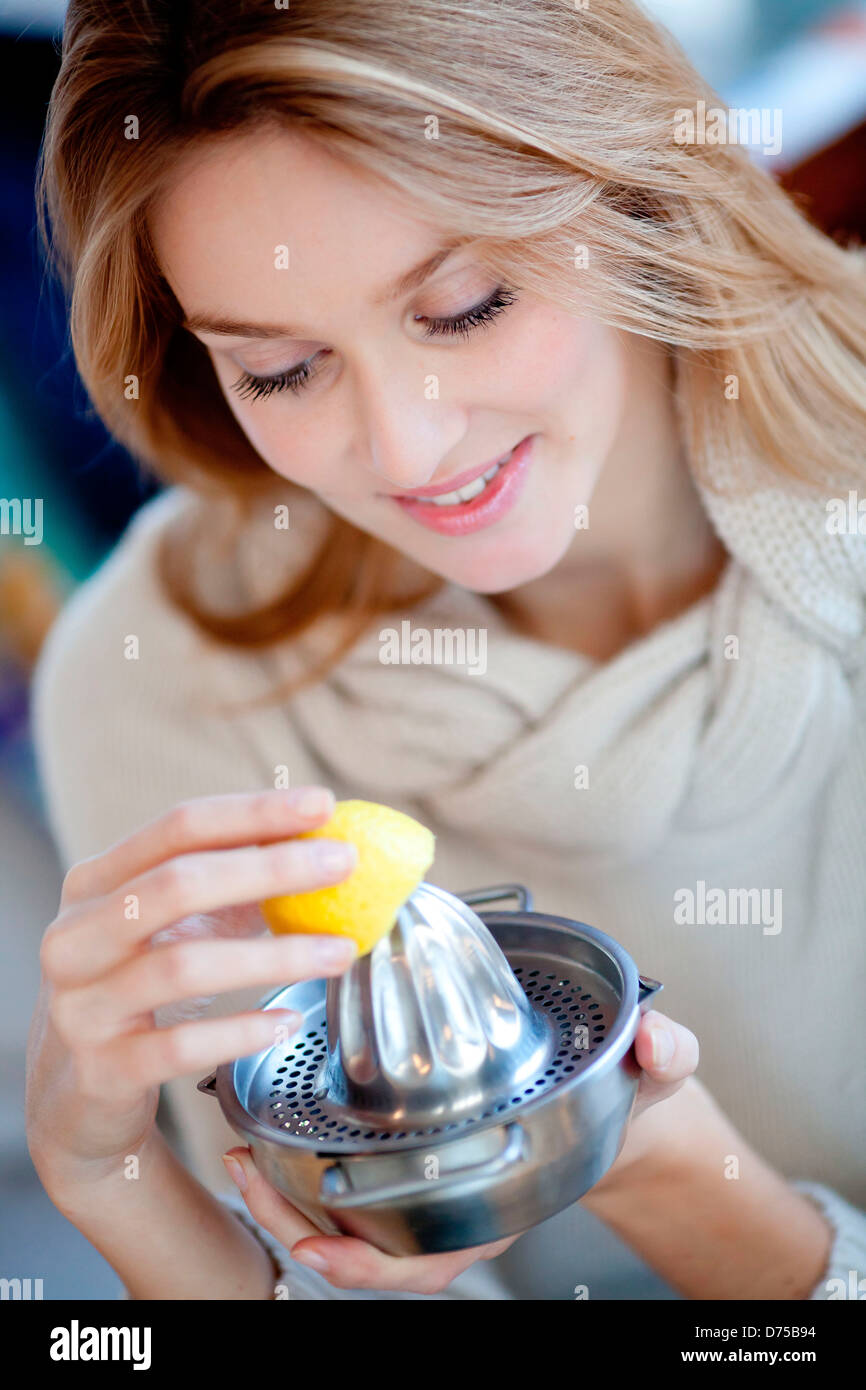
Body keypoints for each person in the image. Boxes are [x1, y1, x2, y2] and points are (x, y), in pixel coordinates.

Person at [26, 0, 866, 1300]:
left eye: (466, 307)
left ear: (638, 189)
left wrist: (683, 1188)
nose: (406, 452)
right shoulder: (162, 665)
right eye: (285, 370)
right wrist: (119, 1190)